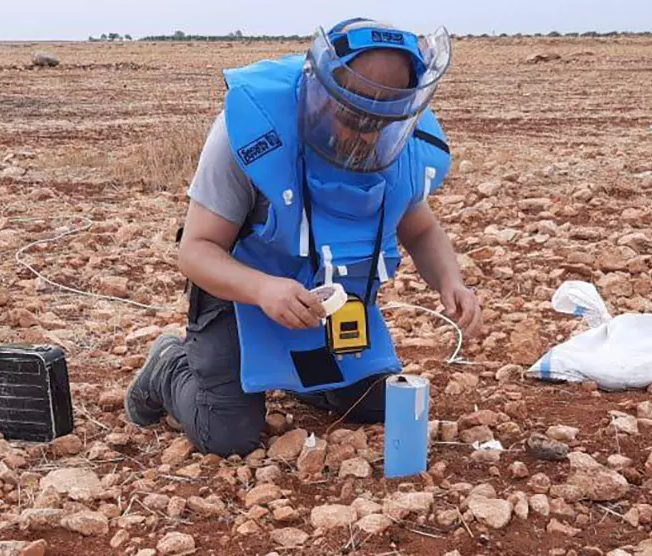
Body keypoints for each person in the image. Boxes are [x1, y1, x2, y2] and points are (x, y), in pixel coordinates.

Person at [124, 17, 483, 457]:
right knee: (228, 434)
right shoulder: (253, 132)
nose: (365, 135)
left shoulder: (397, 142)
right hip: (239, 292)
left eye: (381, 121)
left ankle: (305, 380)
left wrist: (451, 281)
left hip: (330, 300)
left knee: (377, 404)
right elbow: (197, 251)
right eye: (353, 116)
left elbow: (421, 227)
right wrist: (263, 289)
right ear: (321, 92)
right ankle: (169, 365)